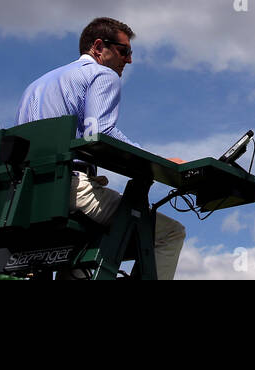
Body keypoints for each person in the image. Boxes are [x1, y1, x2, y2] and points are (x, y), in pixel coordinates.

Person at [16, 17, 186, 279]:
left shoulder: (35, 86)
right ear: (98, 46)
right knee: (170, 232)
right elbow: (99, 133)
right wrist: (160, 163)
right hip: (69, 191)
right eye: (124, 51)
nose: (128, 60)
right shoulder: (101, 74)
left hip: (22, 200)